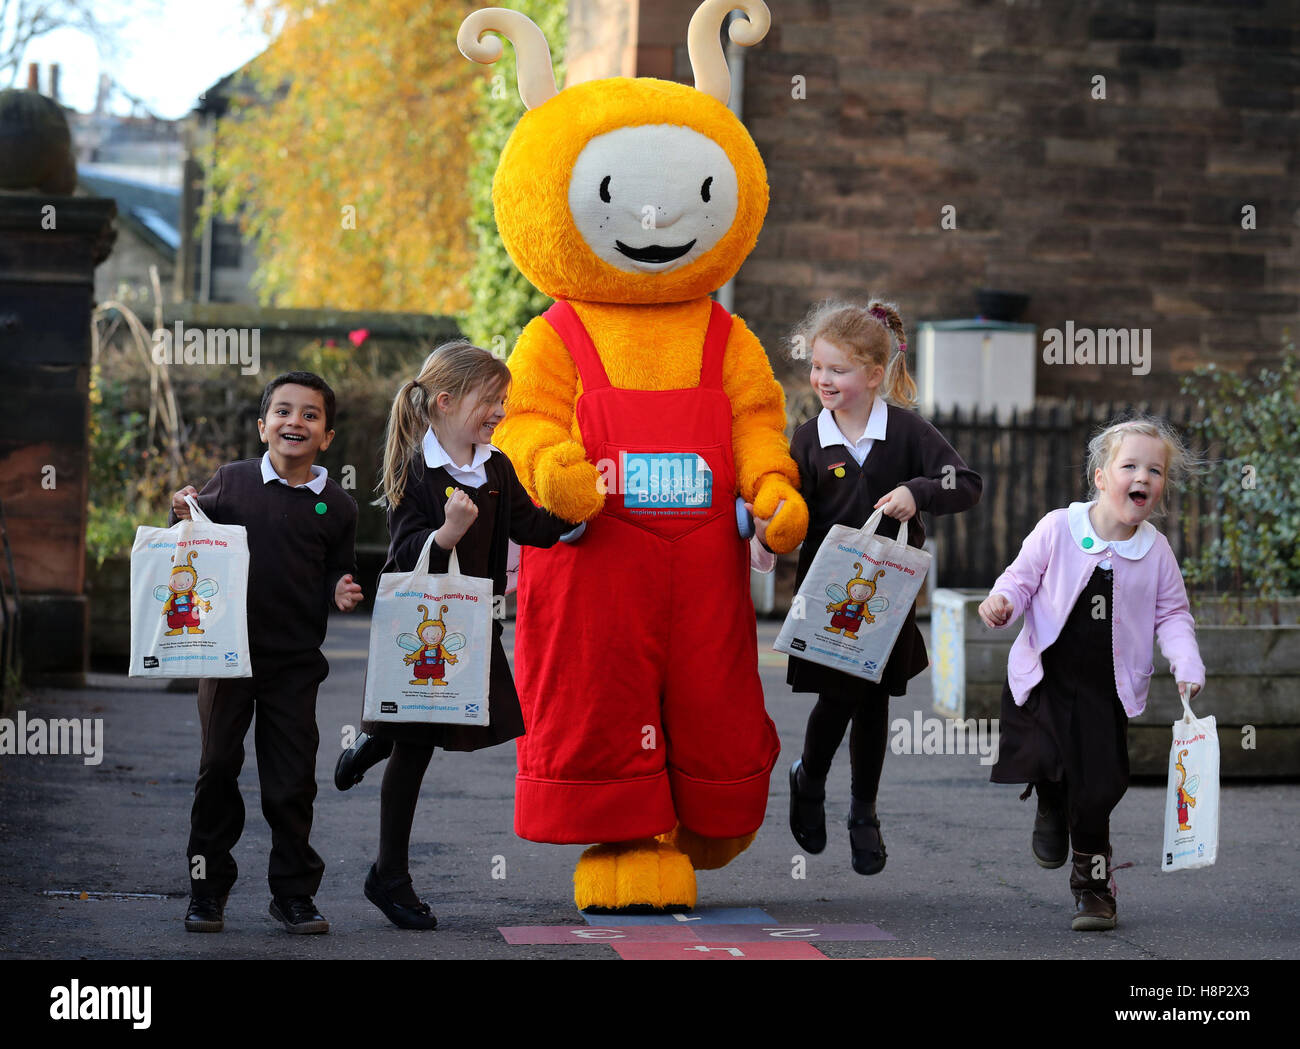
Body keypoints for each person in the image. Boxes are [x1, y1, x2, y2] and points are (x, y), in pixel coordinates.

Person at [333, 341, 578, 930]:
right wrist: (446, 533)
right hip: (420, 628)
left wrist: (585, 505)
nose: (499, 411)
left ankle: (376, 739)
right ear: (444, 401)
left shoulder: (495, 465)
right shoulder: (417, 467)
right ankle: (388, 875)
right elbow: (401, 555)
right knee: (416, 748)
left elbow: (533, 526)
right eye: (489, 400)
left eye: (503, 400)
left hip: (473, 626)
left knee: (429, 731)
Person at [980, 415, 1205, 931]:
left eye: (1155, 470)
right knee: (1043, 758)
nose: (1142, 477)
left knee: (1098, 790)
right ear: (1101, 477)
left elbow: (1173, 615)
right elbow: (1020, 578)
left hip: (1105, 693)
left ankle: (1094, 891)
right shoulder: (1059, 528)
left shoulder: (1155, 553)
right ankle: (1050, 806)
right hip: (1044, 679)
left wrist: (1186, 662)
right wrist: (1002, 602)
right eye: (1130, 466)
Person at [784, 299, 982, 875]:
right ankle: (811, 778)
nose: (823, 379)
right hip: (828, 597)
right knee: (841, 695)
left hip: (887, 601)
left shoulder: (907, 432)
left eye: (838, 370)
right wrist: (767, 526)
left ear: (874, 375)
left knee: (872, 703)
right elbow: (788, 505)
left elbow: (965, 483)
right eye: (818, 367)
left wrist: (920, 491)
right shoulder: (806, 439)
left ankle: (863, 812)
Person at [170, 371, 363, 934]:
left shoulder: (338, 505)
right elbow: (186, 532)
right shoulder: (230, 483)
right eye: (283, 411)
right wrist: (181, 510)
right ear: (262, 427)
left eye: (310, 414)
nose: (294, 422)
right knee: (217, 770)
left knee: (291, 781)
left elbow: (337, 569)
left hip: (295, 664)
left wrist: (341, 588)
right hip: (225, 657)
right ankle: (206, 891)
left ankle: (294, 895)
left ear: (327, 436)